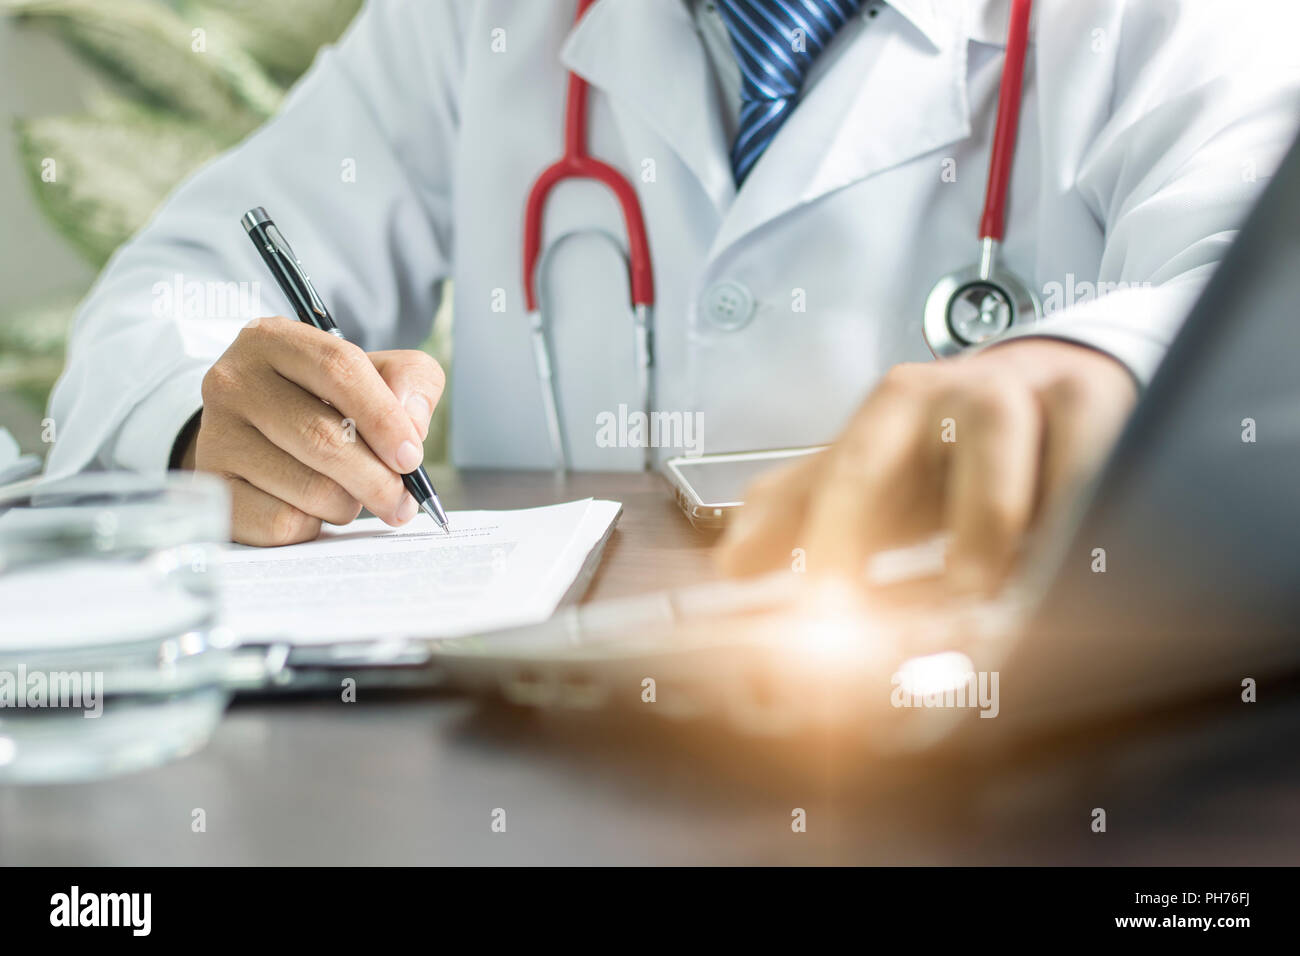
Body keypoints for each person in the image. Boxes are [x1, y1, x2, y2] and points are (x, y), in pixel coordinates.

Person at [45, 0, 1300, 591]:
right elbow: (176, 289)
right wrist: (209, 420)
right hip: (557, 771)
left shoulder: (1179, 20)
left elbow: (1262, 298)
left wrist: (1099, 363)